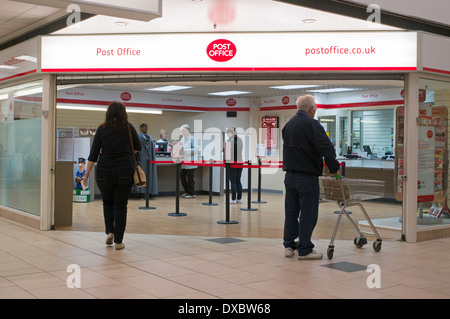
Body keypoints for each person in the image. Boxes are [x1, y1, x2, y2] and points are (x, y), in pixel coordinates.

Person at [282, 95, 340, 260]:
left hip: (290, 177)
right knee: (308, 213)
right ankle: (305, 249)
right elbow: (326, 148)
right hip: (307, 177)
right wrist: (334, 168)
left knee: (291, 212)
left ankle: (289, 246)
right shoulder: (312, 124)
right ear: (312, 109)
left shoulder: (288, 125)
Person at [81, 101, 141, 250]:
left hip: (104, 172)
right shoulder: (128, 127)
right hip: (124, 171)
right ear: (124, 113)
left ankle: (109, 232)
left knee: (107, 202)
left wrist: (86, 175)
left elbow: (93, 155)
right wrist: (125, 152)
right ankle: (119, 242)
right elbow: (138, 148)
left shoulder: (102, 129)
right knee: (121, 206)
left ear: (108, 113)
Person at [134, 123, 158, 197]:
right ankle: (150, 192)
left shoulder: (138, 137)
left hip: (141, 160)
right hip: (150, 160)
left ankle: (141, 193)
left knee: (141, 176)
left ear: (140, 129)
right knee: (150, 175)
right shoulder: (150, 138)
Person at [179, 124, 198, 199]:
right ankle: (187, 191)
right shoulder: (182, 139)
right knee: (182, 176)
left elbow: (196, 149)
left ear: (188, 131)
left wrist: (186, 150)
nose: (183, 132)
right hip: (184, 162)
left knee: (190, 178)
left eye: (184, 131)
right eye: (182, 131)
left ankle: (192, 193)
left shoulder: (193, 139)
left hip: (191, 162)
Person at [225, 127, 243, 204]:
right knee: (238, 180)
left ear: (229, 133)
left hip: (232, 163)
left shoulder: (229, 141)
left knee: (233, 181)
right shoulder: (240, 140)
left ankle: (233, 199)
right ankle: (239, 199)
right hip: (240, 162)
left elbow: (227, 155)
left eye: (227, 134)